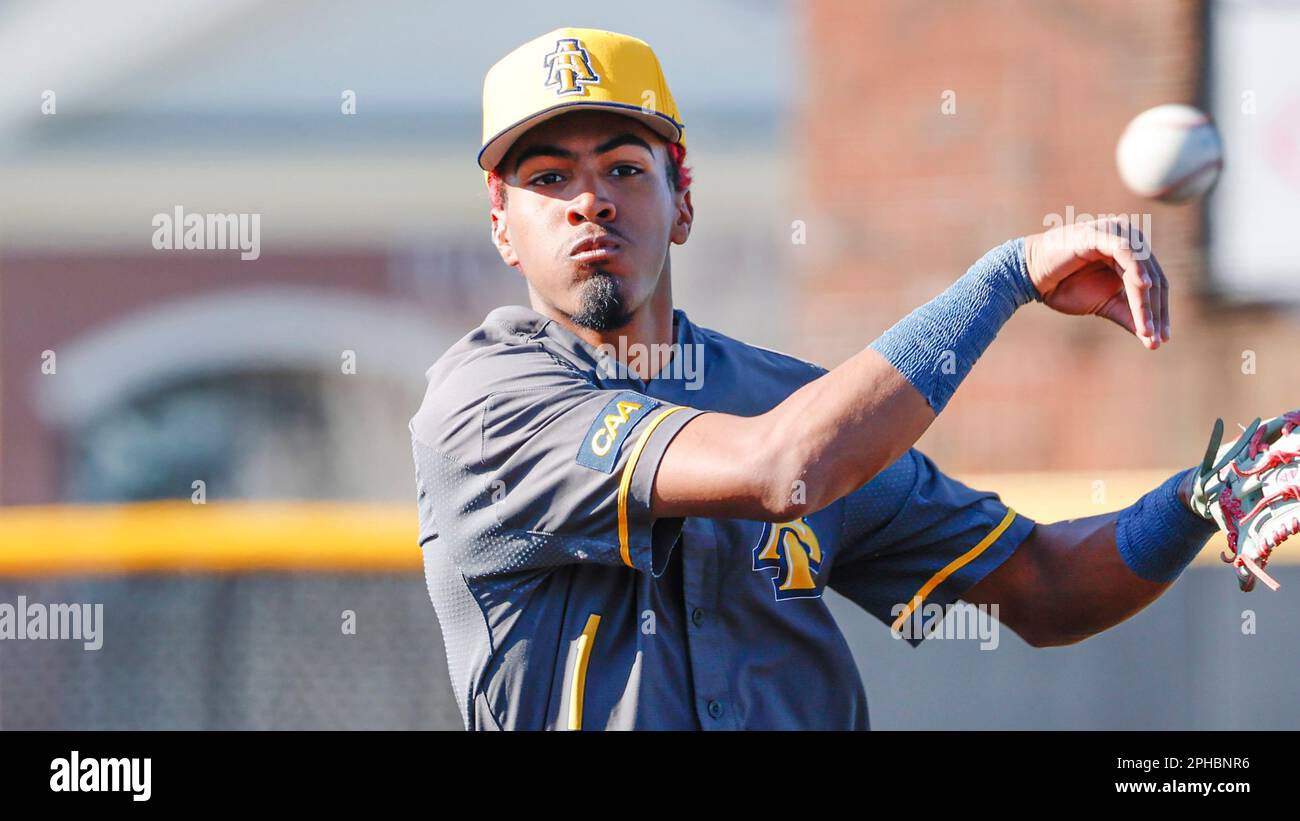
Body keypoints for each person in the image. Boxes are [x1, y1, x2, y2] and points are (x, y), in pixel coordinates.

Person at [408, 27, 1217, 730]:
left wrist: (1200, 497)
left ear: (682, 199)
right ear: (500, 224)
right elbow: (784, 469)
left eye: (623, 168)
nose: (589, 201)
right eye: (548, 177)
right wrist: (1007, 277)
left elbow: (1046, 585)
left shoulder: (793, 404)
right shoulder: (483, 405)